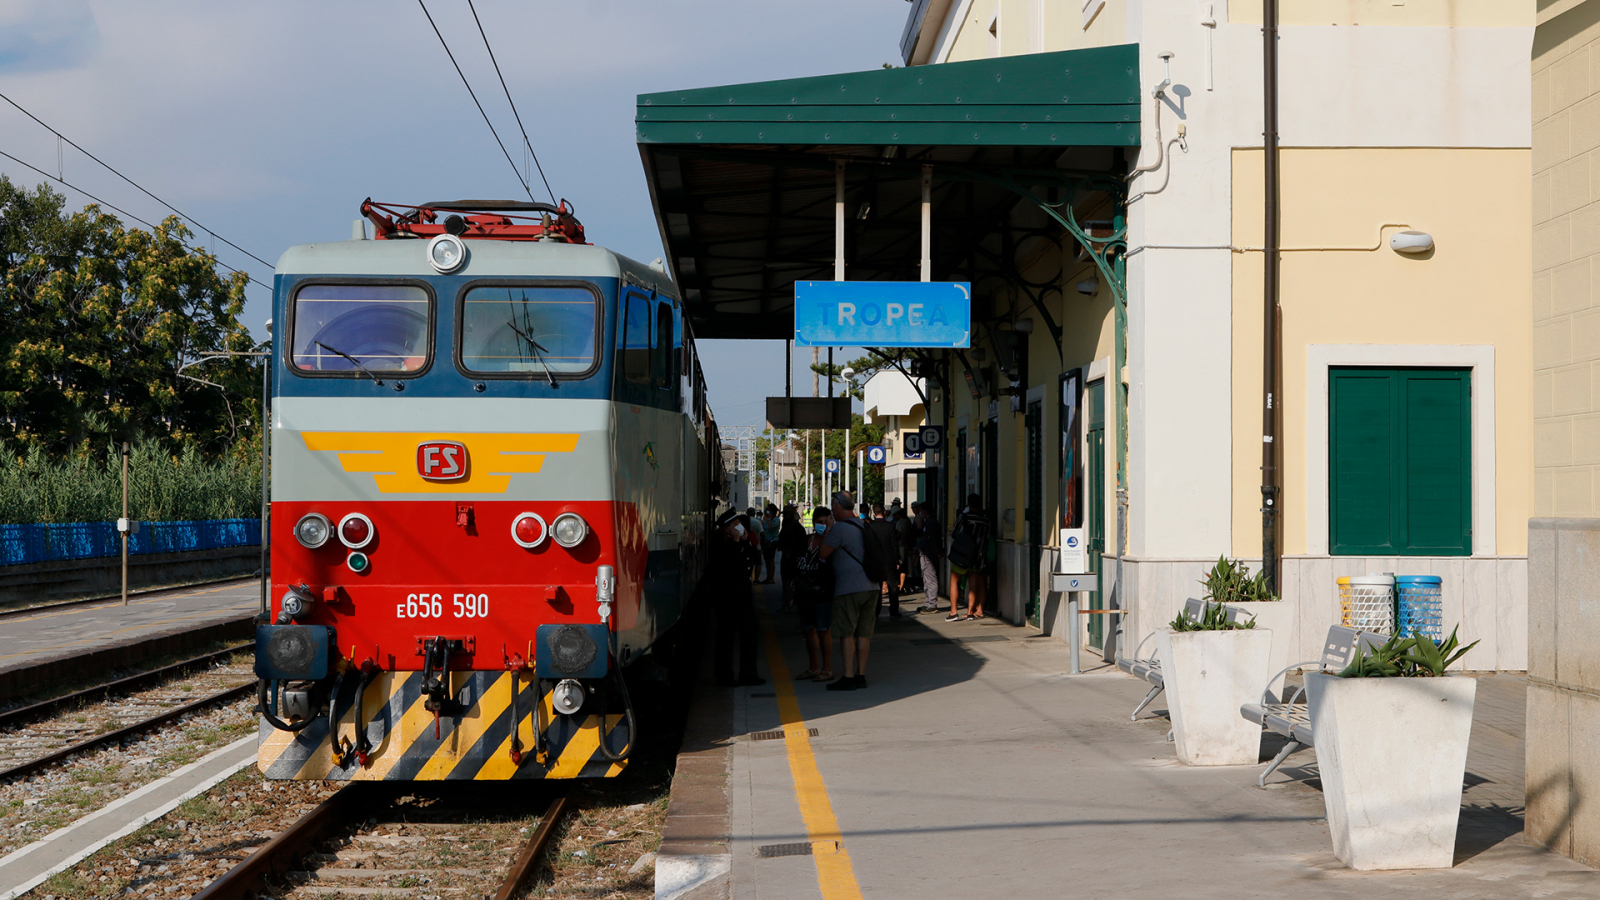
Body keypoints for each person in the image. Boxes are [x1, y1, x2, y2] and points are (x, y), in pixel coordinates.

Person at [818, 491, 877, 691]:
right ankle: (861, 675)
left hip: (849, 588)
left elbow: (823, 553)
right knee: (864, 633)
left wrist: (827, 531)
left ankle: (848, 676)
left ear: (836, 507)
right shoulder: (864, 524)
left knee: (846, 632)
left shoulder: (840, 528)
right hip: (872, 586)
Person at [709, 508, 764, 686]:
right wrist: (735, 542)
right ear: (726, 529)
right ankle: (724, 676)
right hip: (726, 596)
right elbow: (731, 564)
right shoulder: (721, 545)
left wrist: (748, 541)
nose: (739, 527)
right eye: (735, 525)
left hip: (744, 595)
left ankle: (749, 674)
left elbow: (754, 559)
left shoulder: (742, 543)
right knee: (726, 635)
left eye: (739, 524)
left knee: (750, 633)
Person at [792, 507, 835, 682]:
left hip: (822, 593)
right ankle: (814, 667)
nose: (822, 526)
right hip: (804, 593)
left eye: (825, 523)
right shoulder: (806, 541)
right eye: (819, 522)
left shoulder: (831, 543)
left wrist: (826, 536)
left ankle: (827, 668)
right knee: (808, 630)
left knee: (824, 630)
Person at [946, 494, 990, 621]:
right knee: (973, 585)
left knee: (954, 581)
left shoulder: (964, 517)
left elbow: (954, 534)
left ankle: (953, 612)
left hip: (962, 556)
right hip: (977, 558)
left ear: (969, 504)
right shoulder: (985, 520)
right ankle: (970, 611)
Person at [867, 504, 902, 619]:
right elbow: (894, 545)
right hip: (889, 560)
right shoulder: (890, 526)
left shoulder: (870, 526)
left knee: (877, 588)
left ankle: (875, 611)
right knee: (892, 586)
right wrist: (897, 560)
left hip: (875, 561)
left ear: (873, 513)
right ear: (885, 512)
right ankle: (894, 610)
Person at [778, 503, 807, 610]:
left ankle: (791, 602)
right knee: (788, 581)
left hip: (794, 557)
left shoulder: (795, 528)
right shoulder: (790, 526)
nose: (785, 516)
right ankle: (789, 602)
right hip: (790, 557)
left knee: (792, 581)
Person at [915, 502, 942, 613]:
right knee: (926, 579)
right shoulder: (929, 522)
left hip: (928, 553)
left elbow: (931, 539)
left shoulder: (930, 523)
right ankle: (928, 602)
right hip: (926, 552)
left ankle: (932, 603)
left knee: (930, 579)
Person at [760, 504, 781, 584]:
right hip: (766, 541)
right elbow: (764, 527)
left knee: (771, 560)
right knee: (767, 560)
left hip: (772, 542)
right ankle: (768, 577)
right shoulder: (768, 519)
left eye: (768, 510)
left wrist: (770, 518)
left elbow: (770, 527)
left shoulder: (775, 520)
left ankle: (771, 578)